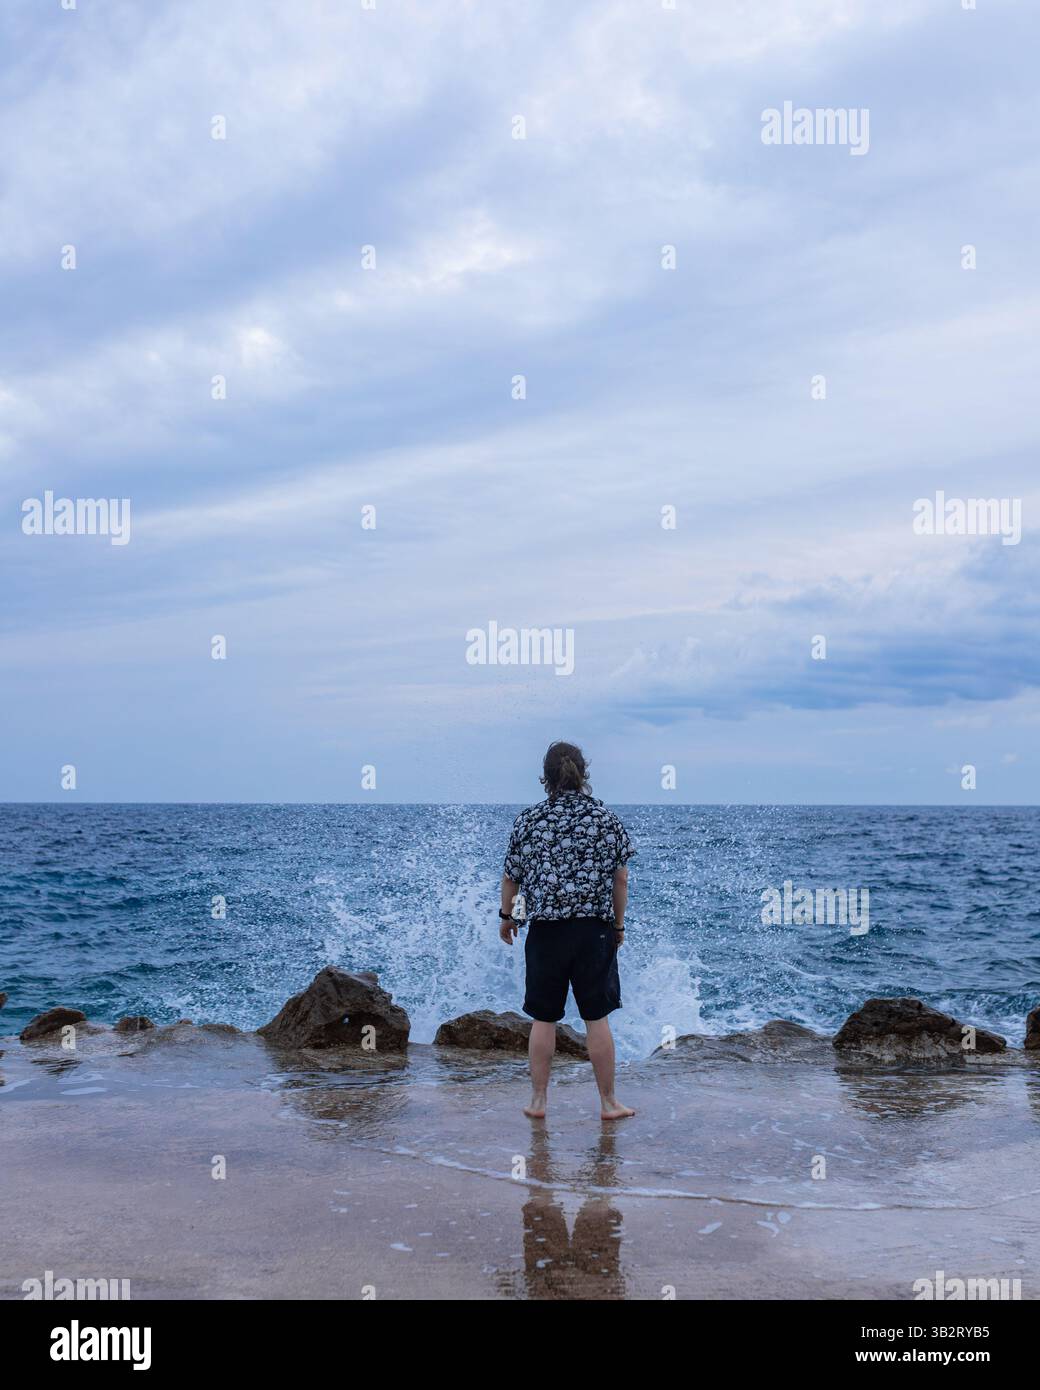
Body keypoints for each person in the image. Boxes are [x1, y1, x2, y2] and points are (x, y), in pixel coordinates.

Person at [499, 741, 636, 1121]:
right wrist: (618, 925)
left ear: (546, 777)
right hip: (593, 931)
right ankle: (609, 1103)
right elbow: (620, 879)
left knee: (544, 1019)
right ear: (583, 773)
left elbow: (512, 878)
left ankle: (538, 1102)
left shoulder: (529, 820)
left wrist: (507, 917)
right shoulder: (605, 819)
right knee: (597, 1018)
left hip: (546, 933)